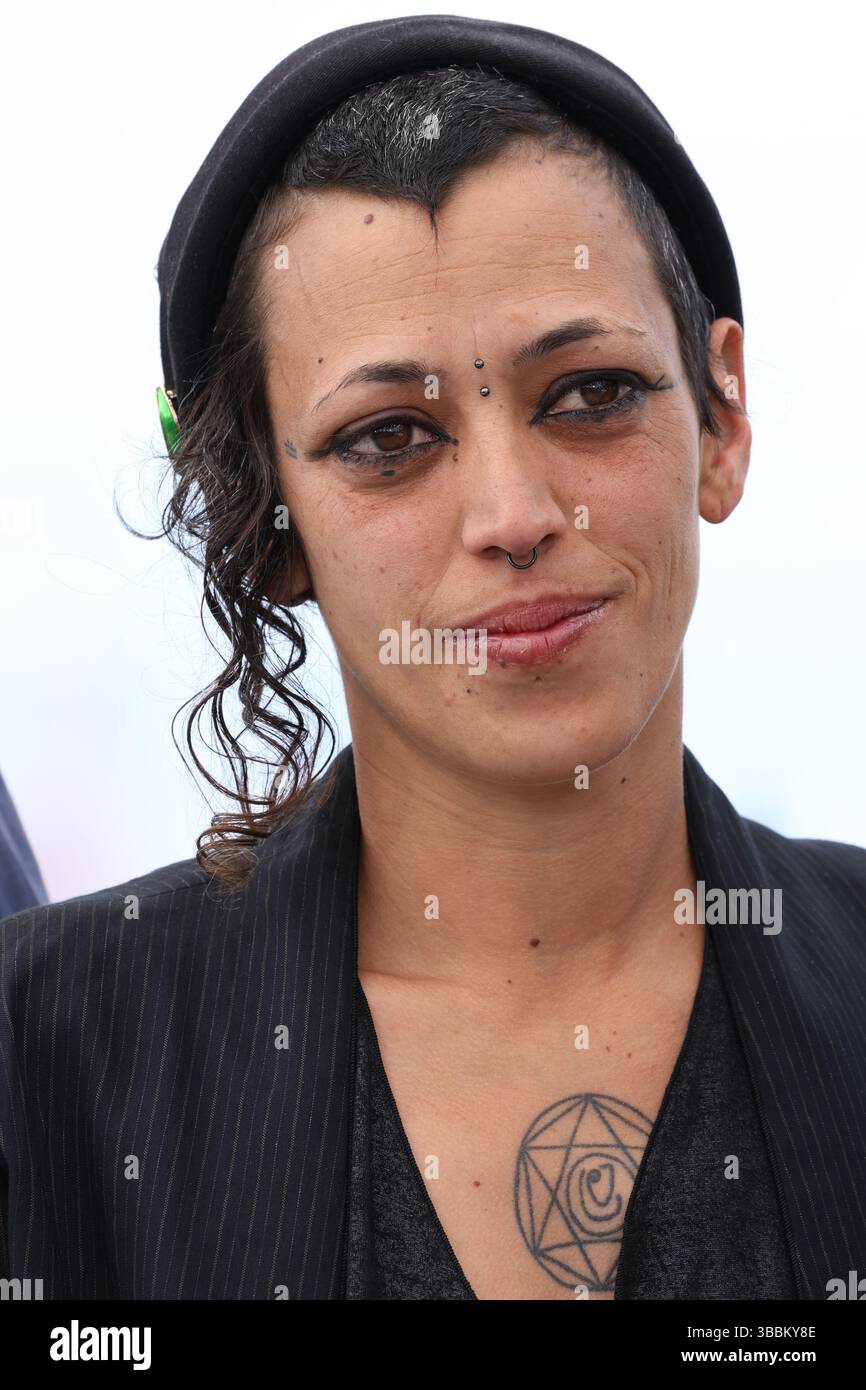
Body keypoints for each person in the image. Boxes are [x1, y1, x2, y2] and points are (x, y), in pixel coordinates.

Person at [1, 14, 864, 1302]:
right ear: (266, 519)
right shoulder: (41, 1057)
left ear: (723, 416)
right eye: (388, 437)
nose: (514, 516)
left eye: (590, 394)